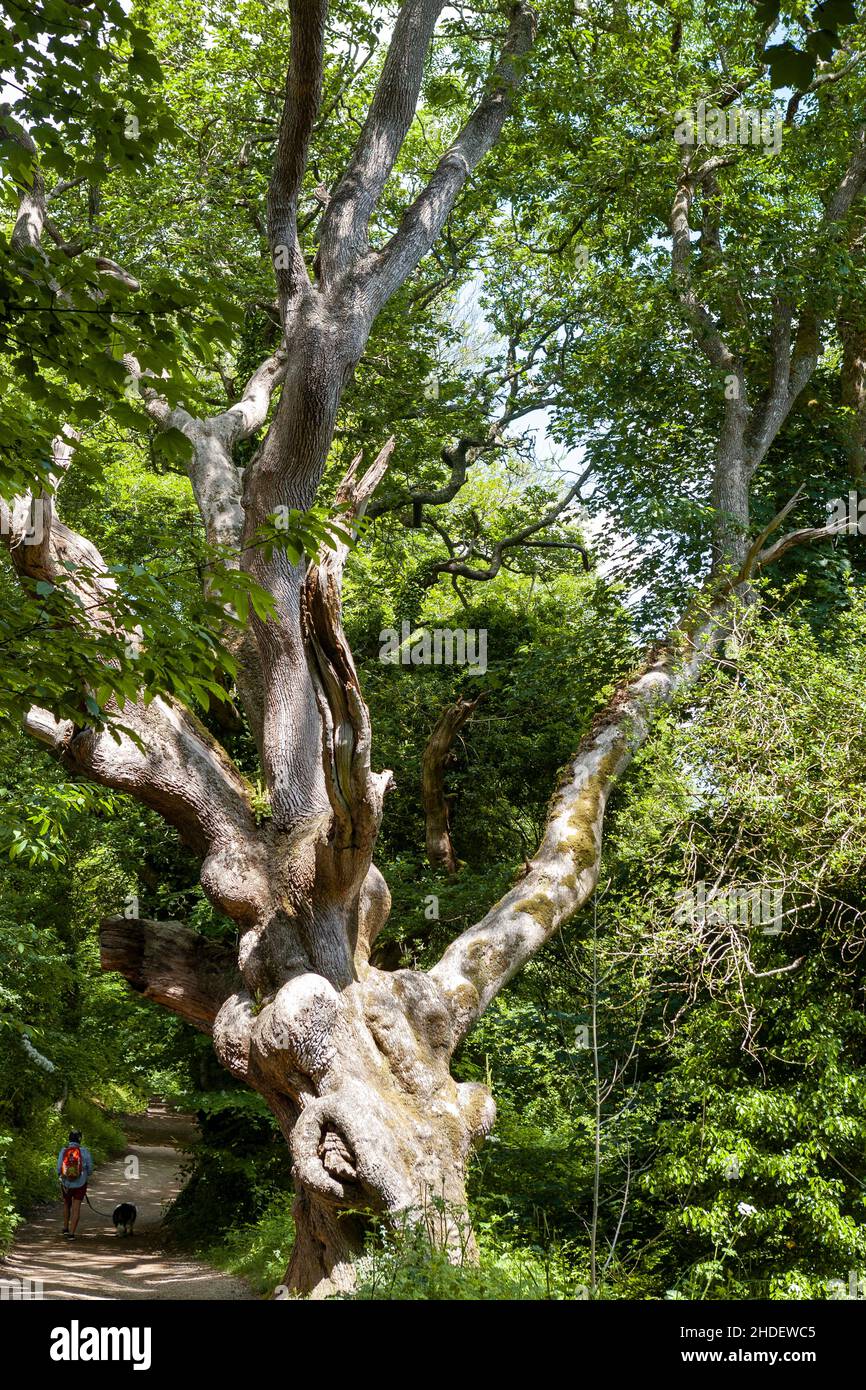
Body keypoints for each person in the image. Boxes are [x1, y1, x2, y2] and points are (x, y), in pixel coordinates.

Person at [57, 1129, 93, 1239]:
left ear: (69, 1139)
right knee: (76, 1208)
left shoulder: (64, 1151)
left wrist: (63, 1177)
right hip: (80, 1184)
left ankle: (65, 1228)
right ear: (80, 1139)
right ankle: (71, 1234)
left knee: (66, 1204)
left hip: (66, 1184)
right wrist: (85, 1175)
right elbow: (90, 1170)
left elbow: (59, 1168)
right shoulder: (85, 1152)